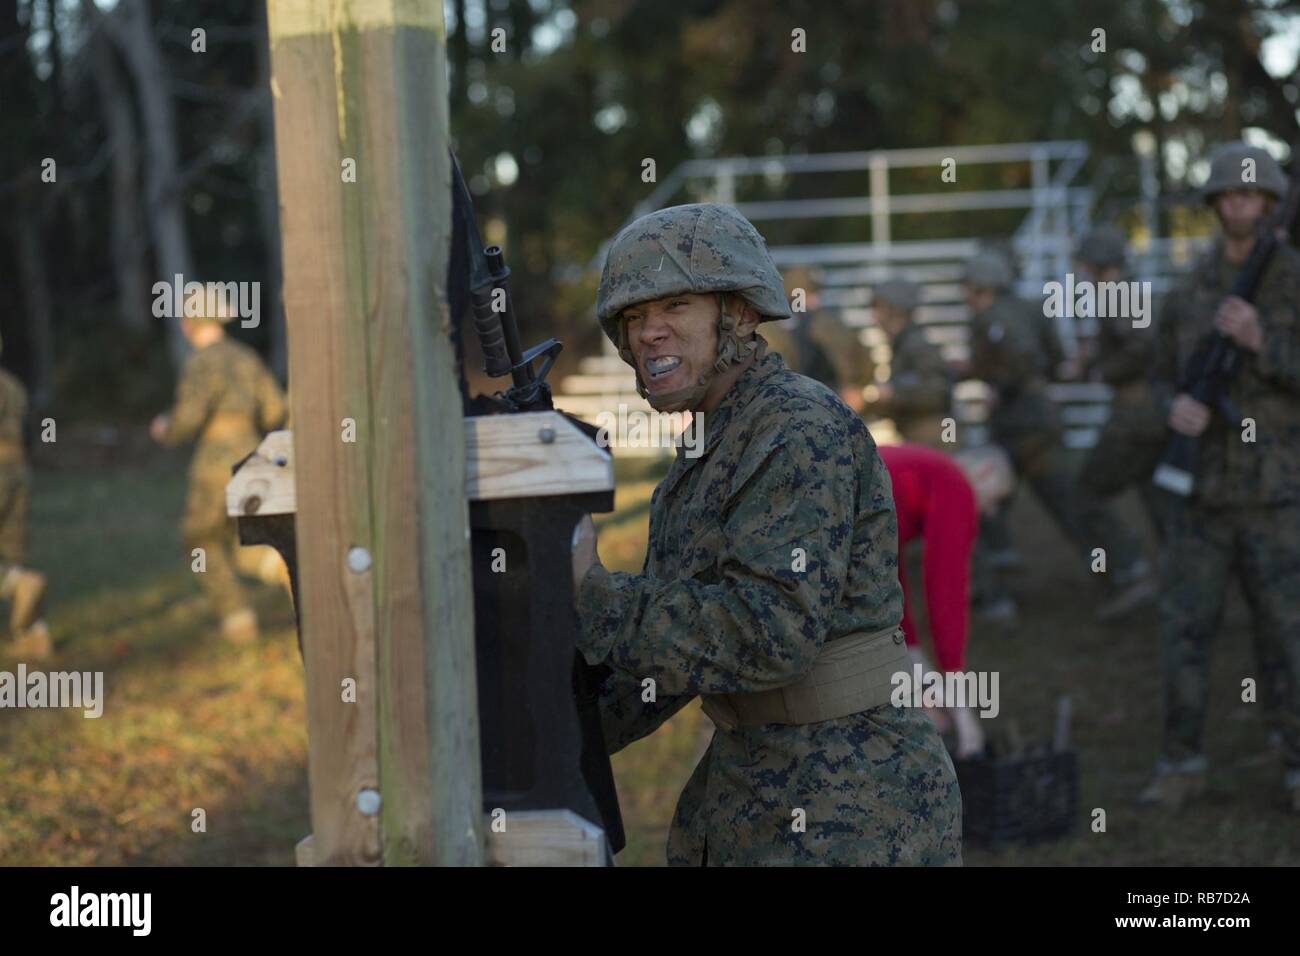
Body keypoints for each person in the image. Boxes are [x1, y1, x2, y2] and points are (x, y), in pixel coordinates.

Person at [572, 202, 962, 865]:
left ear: (741, 314)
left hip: (851, 799)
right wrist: (544, 731)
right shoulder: (715, 440)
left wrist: (591, 593)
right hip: (758, 781)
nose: (649, 334)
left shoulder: (793, 428)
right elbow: (676, 660)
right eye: (633, 318)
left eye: (676, 308)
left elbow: (767, 635)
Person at [1140, 141, 1300, 813]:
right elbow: (1153, 377)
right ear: (1215, 205)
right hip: (1202, 494)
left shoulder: (1290, 279)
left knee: (1286, 633)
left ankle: (1294, 759)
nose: (1240, 204)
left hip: (1276, 493)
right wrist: (1170, 407)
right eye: (1228, 195)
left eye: (1251, 194)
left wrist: (1266, 342)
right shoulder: (1188, 289)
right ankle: (1183, 761)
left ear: (1268, 202)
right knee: (1186, 630)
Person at [961, 250, 1153, 623]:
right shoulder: (1032, 309)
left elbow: (1019, 358)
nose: (964, 294)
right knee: (1068, 505)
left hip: (1014, 426)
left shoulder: (988, 319)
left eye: (968, 287)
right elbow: (1051, 359)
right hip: (1042, 422)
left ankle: (992, 591)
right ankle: (1124, 569)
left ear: (981, 287)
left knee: (981, 503)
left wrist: (1000, 385)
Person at [150, 290, 288, 644]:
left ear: (189, 323)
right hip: (253, 455)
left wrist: (167, 428)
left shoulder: (200, 362)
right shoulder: (247, 357)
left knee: (199, 540)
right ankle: (272, 565)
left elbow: (189, 417)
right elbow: (275, 411)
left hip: (215, 461)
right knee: (238, 533)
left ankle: (236, 617)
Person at [878, 443, 982, 757]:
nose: (990, 513)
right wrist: (963, 711)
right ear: (987, 473)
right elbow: (945, 590)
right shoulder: (955, 483)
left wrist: (919, 668)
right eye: (999, 501)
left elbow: (888, 582)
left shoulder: (895, 484)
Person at [1073, 225, 1171, 540]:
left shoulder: (1120, 295)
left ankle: (1128, 566)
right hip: (1148, 413)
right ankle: (1176, 569)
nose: (1083, 274)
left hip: (1135, 416)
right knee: (1155, 494)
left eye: (1086, 266)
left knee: (1086, 492)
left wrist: (1104, 370)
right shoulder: (1123, 294)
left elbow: (1141, 348)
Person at [0, 334, 50, 660]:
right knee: (14, 549)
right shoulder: (13, 385)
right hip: (18, 470)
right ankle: (33, 632)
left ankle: (15, 583)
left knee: (15, 572)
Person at [864, 279, 953, 450]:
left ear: (893, 311)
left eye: (878, 308)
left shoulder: (917, 345)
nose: (874, 317)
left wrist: (892, 394)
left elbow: (938, 391)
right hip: (922, 437)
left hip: (934, 439)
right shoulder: (903, 345)